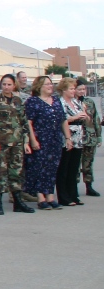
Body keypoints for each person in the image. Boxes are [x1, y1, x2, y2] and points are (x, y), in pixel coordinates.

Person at [0, 75, 34, 213]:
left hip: (17, 142)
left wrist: (26, 142)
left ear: (14, 86)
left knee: (16, 172)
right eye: (4, 84)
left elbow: (23, 122)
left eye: (9, 84)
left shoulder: (18, 100)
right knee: (0, 172)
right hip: (1, 142)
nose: (6, 87)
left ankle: (18, 202)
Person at [24, 75, 66, 209]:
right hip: (40, 138)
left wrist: (68, 137)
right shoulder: (32, 101)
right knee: (39, 167)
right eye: (47, 84)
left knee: (52, 168)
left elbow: (63, 119)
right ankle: (40, 197)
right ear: (39, 87)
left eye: (51, 84)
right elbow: (29, 122)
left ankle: (50, 196)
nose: (50, 86)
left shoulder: (56, 100)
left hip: (55, 139)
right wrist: (32, 140)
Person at [56, 78, 87, 207]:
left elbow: (84, 115)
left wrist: (84, 116)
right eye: (71, 89)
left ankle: (73, 194)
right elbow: (61, 119)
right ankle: (63, 196)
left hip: (78, 137)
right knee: (64, 167)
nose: (73, 91)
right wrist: (74, 117)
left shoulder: (76, 102)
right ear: (64, 90)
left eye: (74, 88)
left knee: (74, 168)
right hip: (67, 135)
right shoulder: (60, 102)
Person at [77, 78, 100, 197]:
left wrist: (99, 136)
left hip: (90, 137)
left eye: (83, 89)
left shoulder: (89, 102)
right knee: (75, 164)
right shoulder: (72, 103)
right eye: (79, 89)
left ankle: (89, 185)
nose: (82, 91)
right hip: (77, 138)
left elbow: (96, 119)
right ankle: (73, 187)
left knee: (88, 163)